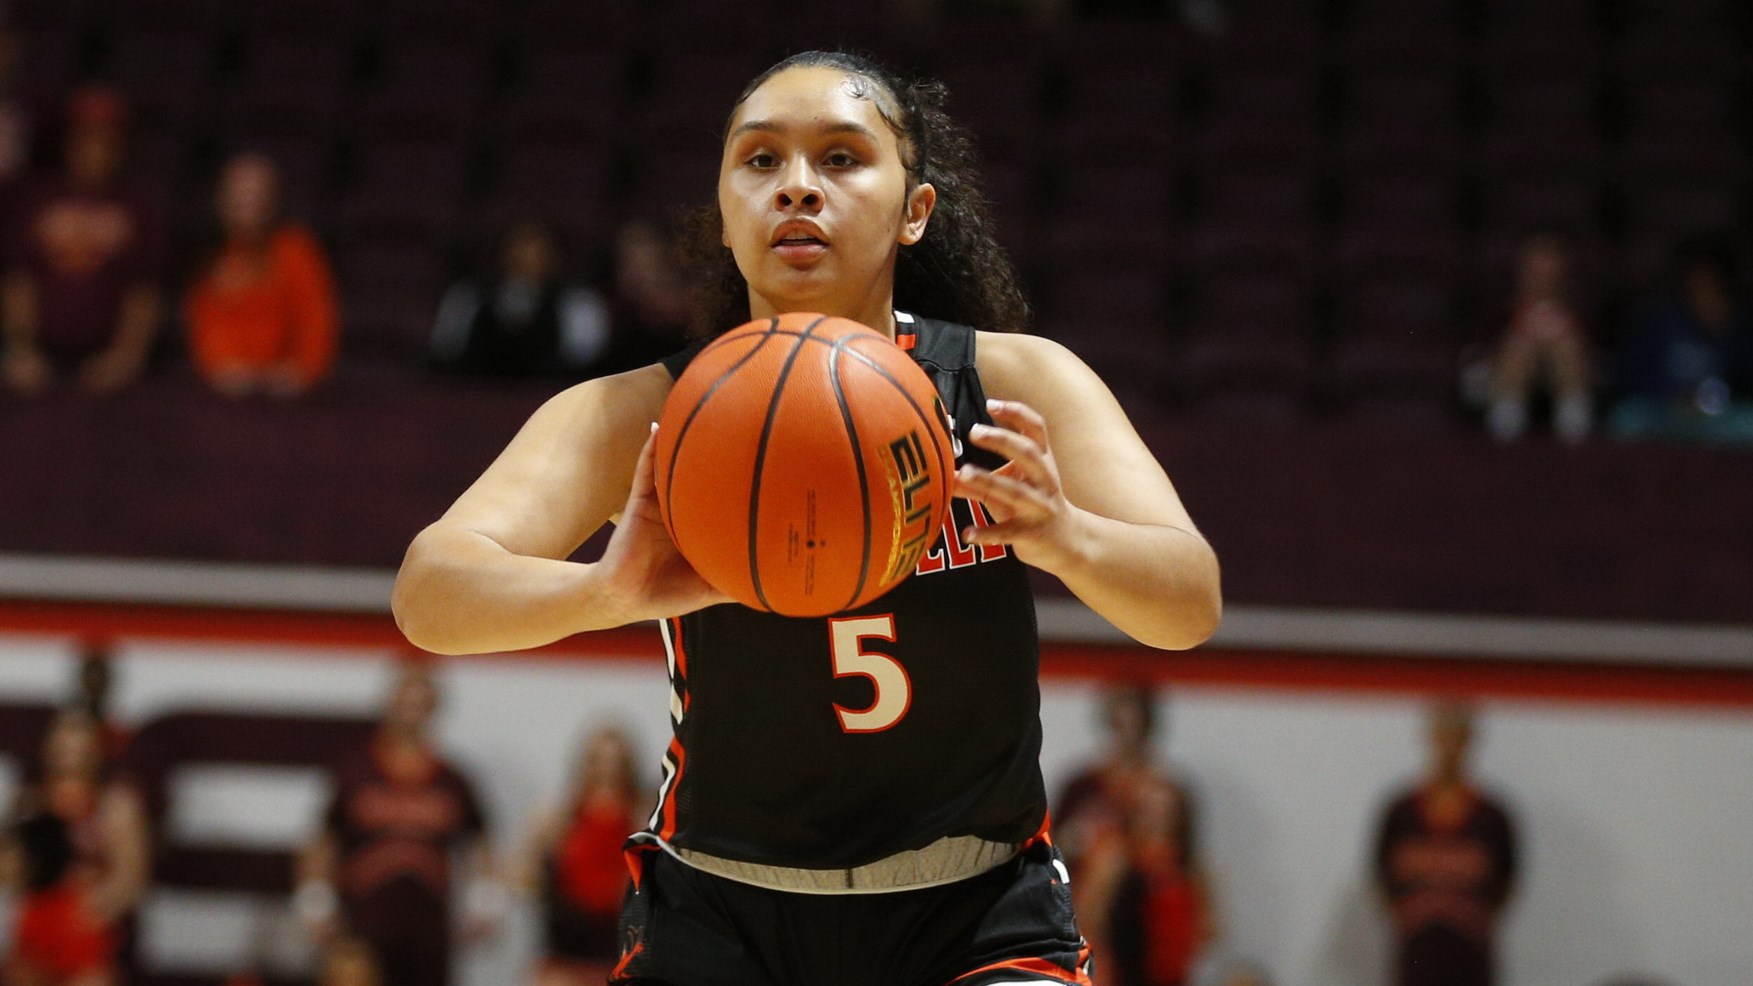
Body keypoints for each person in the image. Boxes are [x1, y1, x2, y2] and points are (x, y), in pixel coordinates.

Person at [392, 50, 1221, 986]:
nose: (795, 188)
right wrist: (602, 592)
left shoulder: (1013, 383)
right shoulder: (637, 412)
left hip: (975, 908)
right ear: (723, 208)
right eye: (760, 161)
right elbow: (430, 594)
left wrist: (1065, 535)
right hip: (721, 906)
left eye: (839, 157)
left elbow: (1187, 602)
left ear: (915, 210)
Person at [295, 662, 505, 986]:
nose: (412, 712)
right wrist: (315, 899)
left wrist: (486, 901)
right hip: (364, 924)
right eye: (406, 701)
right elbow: (324, 838)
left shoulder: (453, 781)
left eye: (421, 703)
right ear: (390, 704)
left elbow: (479, 840)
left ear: (434, 708)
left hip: (429, 925)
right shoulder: (356, 774)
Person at [1, 86, 164, 397]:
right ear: (70, 141)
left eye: (106, 139)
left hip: (108, 368)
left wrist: (126, 356)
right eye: (86, 137)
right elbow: (19, 281)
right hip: (40, 365)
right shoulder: (36, 199)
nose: (95, 148)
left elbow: (143, 290)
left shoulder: (137, 204)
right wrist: (20, 350)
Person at [1, 710, 151, 986]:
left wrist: (94, 909)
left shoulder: (115, 802)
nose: (70, 746)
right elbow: (11, 866)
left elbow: (131, 876)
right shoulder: (30, 798)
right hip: (35, 927)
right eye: (62, 735)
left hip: (88, 931)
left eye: (80, 736)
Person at [1373, 701, 1518, 986]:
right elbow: (1381, 876)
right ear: (1430, 739)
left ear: (1469, 742)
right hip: (1417, 949)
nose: (1449, 747)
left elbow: (1507, 879)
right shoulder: (1401, 812)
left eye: (1457, 737)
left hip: (1469, 952)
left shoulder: (1491, 815)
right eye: (1443, 736)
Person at [184, 152, 338, 398]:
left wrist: (302, 370)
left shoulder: (296, 250)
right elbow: (205, 329)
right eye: (239, 196)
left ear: (273, 200)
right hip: (228, 391)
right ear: (221, 200)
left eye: (256, 196)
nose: (248, 205)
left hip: (289, 393)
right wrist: (222, 367)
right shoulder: (212, 258)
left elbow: (316, 321)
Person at [517, 726, 646, 986]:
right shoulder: (559, 816)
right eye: (599, 760)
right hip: (567, 953)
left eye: (616, 762)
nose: (607, 770)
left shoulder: (643, 818)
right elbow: (522, 873)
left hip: (621, 954)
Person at [1608, 233, 1753, 444]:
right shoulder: (1658, 321)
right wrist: (1673, 395)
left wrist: (1725, 333)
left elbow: (1745, 382)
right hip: (1665, 412)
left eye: (1711, 284)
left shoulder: (1737, 326)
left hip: (1717, 417)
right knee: (1625, 418)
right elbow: (1629, 376)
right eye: (1697, 284)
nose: (1704, 293)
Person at [429, 221, 611, 378]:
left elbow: (584, 366)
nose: (525, 258)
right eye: (518, 247)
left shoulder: (578, 302)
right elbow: (446, 354)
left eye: (536, 250)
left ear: (554, 256)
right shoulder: (468, 296)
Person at [1484, 234, 1593, 444]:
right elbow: (1484, 349)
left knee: (1566, 346)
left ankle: (1574, 426)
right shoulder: (1499, 307)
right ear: (1523, 272)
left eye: (1551, 274)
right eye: (1537, 273)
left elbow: (1592, 351)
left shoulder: (1581, 308)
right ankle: (1506, 424)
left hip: (1563, 375)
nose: (1544, 280)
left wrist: (1560, 331)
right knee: (1519, 346)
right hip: (1502, 377)